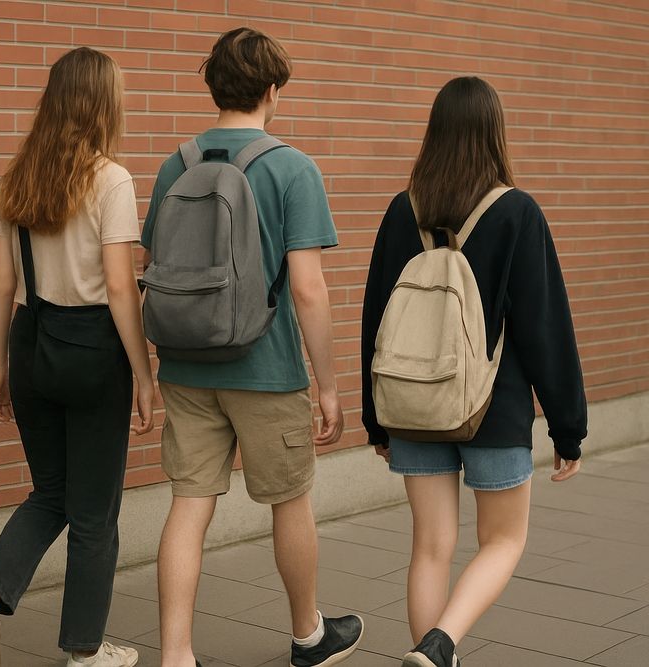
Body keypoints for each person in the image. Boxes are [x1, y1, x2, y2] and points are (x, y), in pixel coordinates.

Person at [142, 28, 364, 667]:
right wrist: (328, 386)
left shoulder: (176, 164)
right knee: (289, 502)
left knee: (189, 505)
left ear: (215, 88)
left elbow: (153, 264)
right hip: (266, 370)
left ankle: (176, 655)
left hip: (186, 365)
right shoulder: (292, 168)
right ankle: (309, 636)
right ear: (271, 90)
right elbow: (308, 289)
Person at [361, 76, 587, 667]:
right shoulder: (516, 212)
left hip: (414, 405)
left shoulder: (403, 210)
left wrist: (376, 421)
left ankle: (431, 651)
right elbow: (544, 328)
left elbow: (376, 319)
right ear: (494, 132)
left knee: (430, 547)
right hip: (495, 407)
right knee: (503, 540)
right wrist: (568, 429)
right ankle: (440, 644)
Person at [0, 47, 154, 667]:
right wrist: (143, 374)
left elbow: (0, 286)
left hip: (31, 344)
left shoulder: (14, 182)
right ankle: (85, 653)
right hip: (92, 352)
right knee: (94, 513)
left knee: (52, 493)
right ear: (102, 103)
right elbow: (120, 288)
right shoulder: (112, 180)